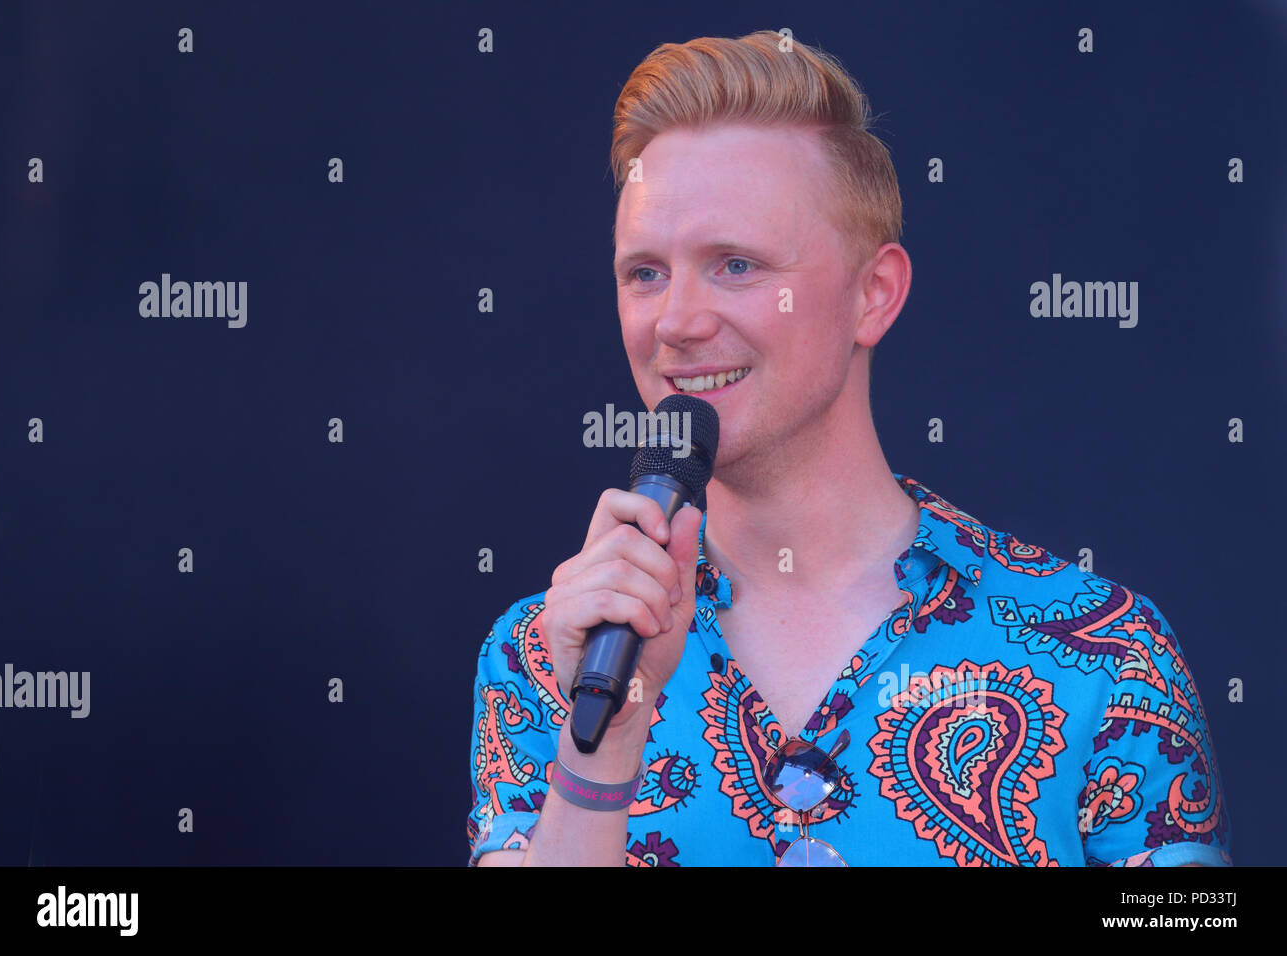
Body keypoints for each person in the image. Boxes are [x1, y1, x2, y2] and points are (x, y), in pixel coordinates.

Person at [466, 30, 1232, 866]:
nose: (678, 322)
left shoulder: (1106, 656)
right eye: (645, 272)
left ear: (874, 295)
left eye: (735, 264)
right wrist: (600, 755)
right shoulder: (548, 657)